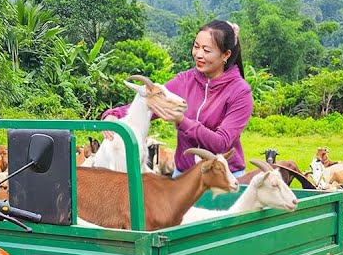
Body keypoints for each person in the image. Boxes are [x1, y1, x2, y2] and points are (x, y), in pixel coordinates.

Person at [102, 20, 252, 175]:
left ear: (226, 55)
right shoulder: (185, 80)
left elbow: (221, 143)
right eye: (196, 46)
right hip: (183, 177)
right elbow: (152, 100)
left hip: (223, 178)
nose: (198, 54)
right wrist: (113, 114)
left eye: (206, 50)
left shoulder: (240, 91)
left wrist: (182, 121)